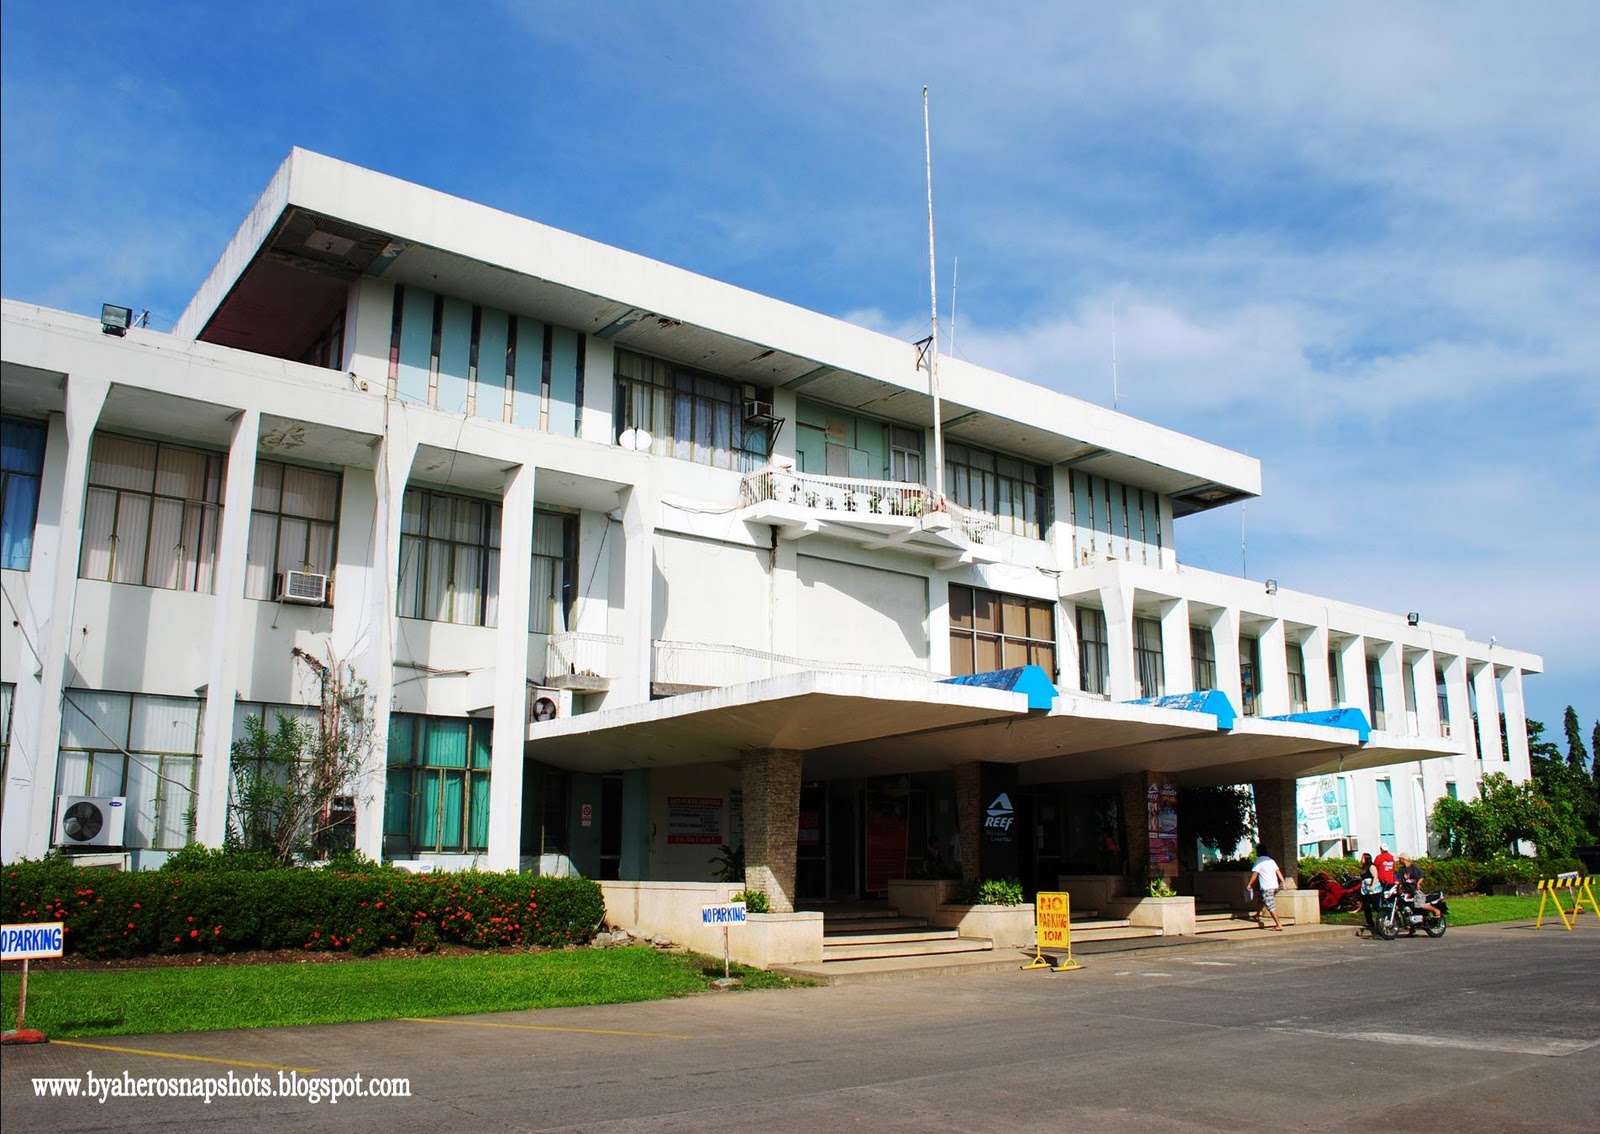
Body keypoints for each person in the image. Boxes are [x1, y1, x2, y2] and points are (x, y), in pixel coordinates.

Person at [1395, 855, 1440, 933]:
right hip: (1407, 892)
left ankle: (1436, 911)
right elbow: (1398, 880)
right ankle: (1411, 929)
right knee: (1405, 908)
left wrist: (1419, 883)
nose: (1399, 860)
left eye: (1400, 859)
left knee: (1420, 904)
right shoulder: (1401, 870)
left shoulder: (1413, 867)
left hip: (1416, 891)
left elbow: (1421, 875)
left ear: (1404, 859)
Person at [1248, 847, 1285, 931]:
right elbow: (1278, 871)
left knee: (1270, 906)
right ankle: (1257, 914)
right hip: (1274, 886)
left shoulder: (1259, 861)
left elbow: (1255, 873)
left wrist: (1250, 884)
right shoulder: (1271, 861)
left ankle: (1279, 925)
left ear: (1258, 852)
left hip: (1266, 887)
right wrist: (1283, 882)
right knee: (1261, 899)